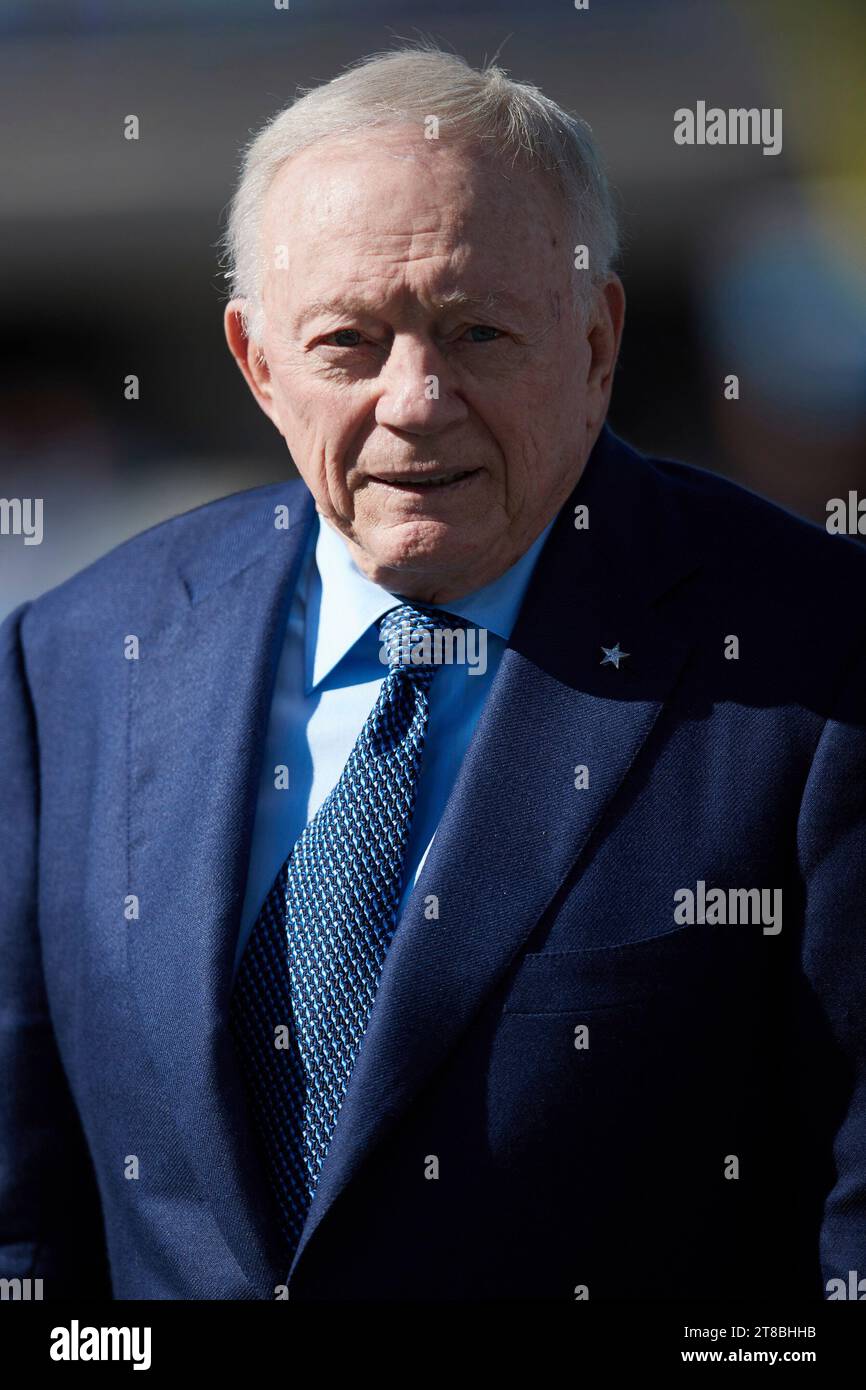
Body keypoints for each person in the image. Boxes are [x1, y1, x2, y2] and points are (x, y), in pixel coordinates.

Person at [1, 44, 864, 1302]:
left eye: (476, 331)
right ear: (256, 361)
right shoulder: (71, 661)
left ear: (594, 337)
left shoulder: (816, 661)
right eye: (349, 341)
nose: (415, 400)